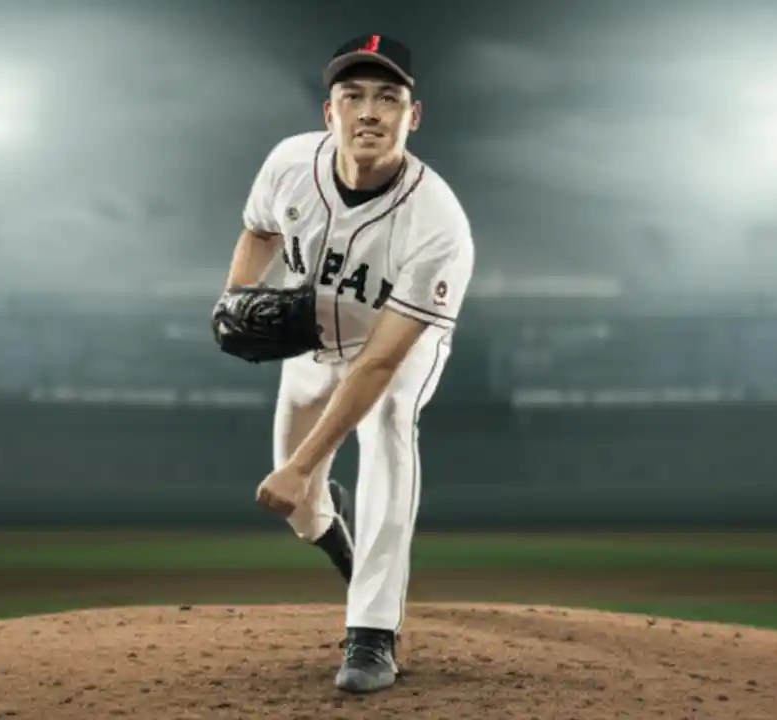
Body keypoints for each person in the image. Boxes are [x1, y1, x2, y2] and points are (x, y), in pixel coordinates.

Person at [221, 32, 475, 694]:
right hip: (311, 344)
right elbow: (258, 229)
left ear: (411, 116)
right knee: (300, 511)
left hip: (394, 353)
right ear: (328, 112)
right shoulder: (288, 164)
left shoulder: (438, 223)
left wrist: (301, 464)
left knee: (389, 424)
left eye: (387, 97)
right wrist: (236, 297)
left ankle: (373, 633)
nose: (369, 111)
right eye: (352, 96)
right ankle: (334, 536)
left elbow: (379, 366)